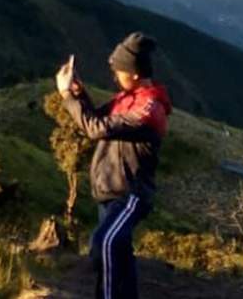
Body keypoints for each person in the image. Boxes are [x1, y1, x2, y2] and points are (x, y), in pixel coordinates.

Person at [55, 32, 172, 299]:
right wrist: (78, 93)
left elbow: (95, 129)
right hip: (110, 192)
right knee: (119, 254)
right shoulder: (127, 98)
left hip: (129, 195)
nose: (114, 76)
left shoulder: (148, 109)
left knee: (104, 244)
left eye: (118, 71)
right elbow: (96, 117)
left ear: (132, 73)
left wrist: (65, 95)